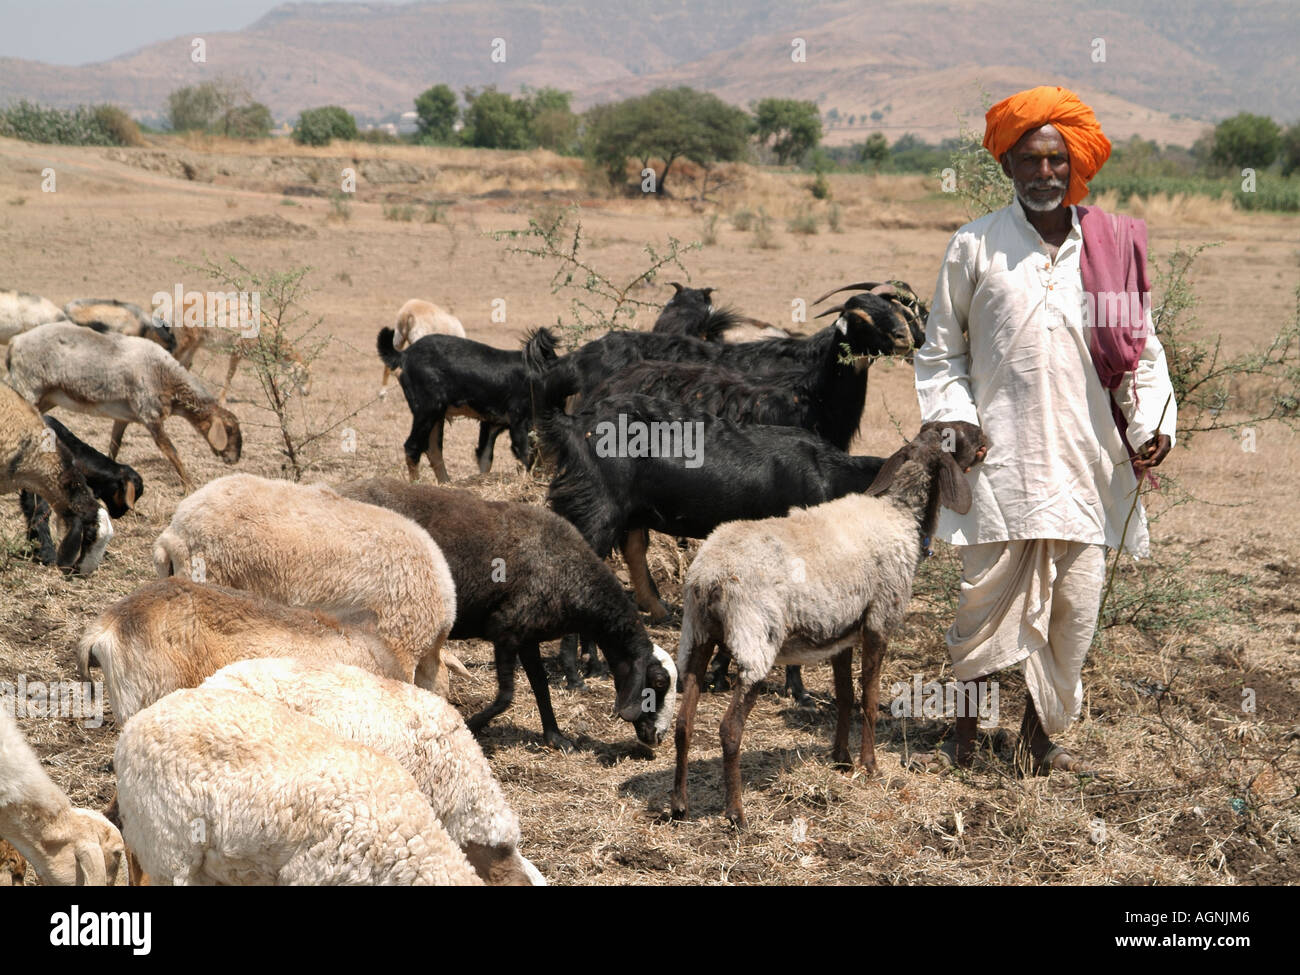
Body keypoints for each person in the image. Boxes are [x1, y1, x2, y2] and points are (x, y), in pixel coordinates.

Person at [912, 85, 1177, 774]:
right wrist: (959, 429)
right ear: (1006, 167)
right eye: (1029, 160)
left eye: (1056, 160)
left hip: (1087, 461)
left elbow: (1142, 351)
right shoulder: (974, 246)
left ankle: (1036, 740)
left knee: (1073, 611)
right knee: (981, 609)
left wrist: (1152, 423)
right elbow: (942, 353)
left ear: (1075, 165)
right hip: (996, 464)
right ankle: (965, 743)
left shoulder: (1109, 248)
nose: (1044, 174)